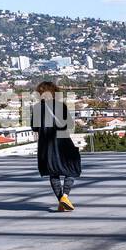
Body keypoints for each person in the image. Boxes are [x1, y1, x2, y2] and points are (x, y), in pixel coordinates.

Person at [31, 80, 82, 211]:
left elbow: (34, 127)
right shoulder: (61, 106)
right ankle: (65, 196)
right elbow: (68, 124)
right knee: (72, 168)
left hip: (45, 145)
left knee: (53, 173)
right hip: (62, 141)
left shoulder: (37, 108)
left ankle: (61, 200)